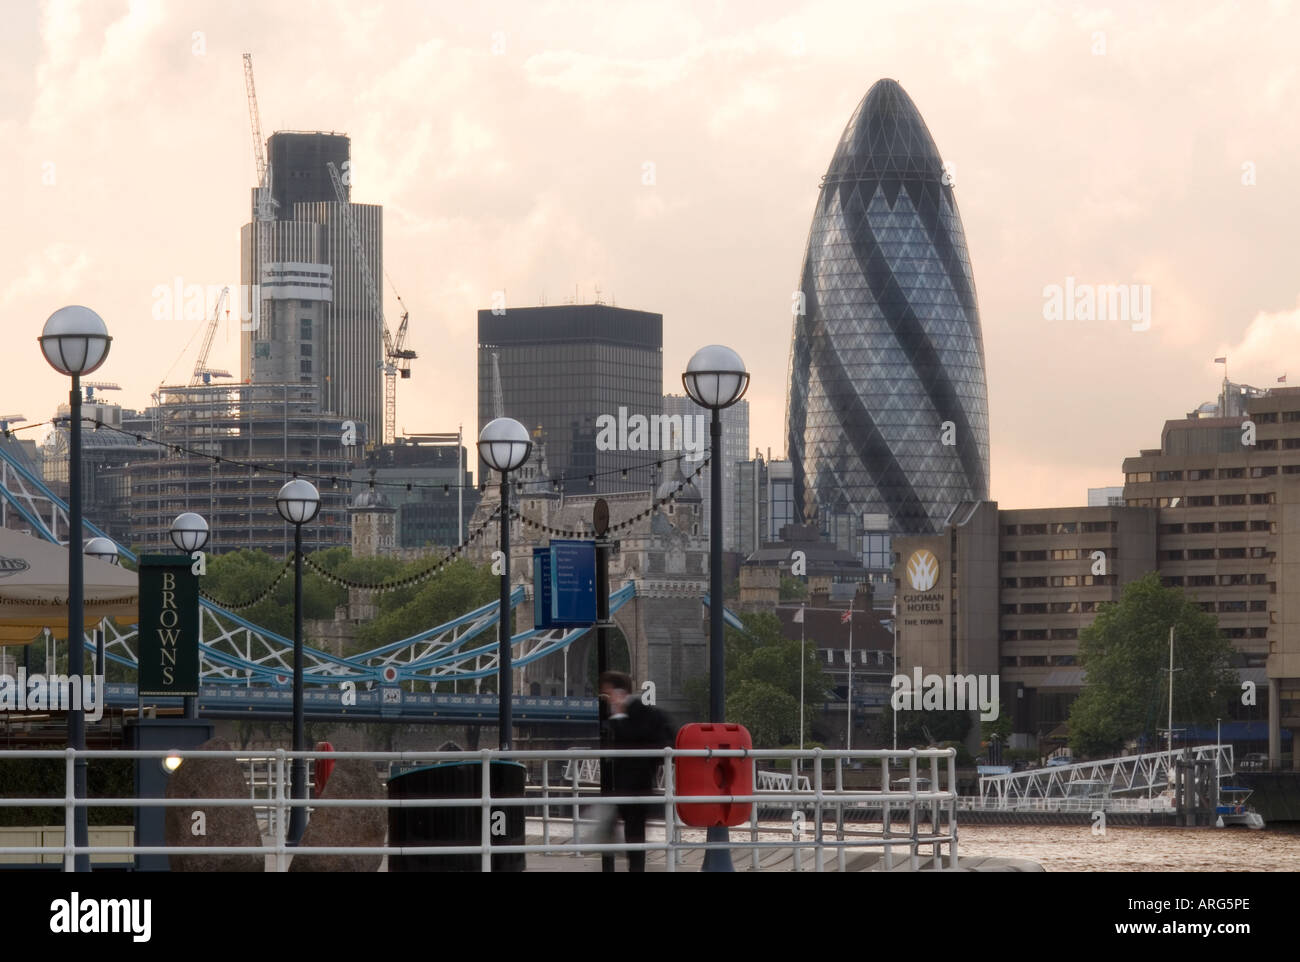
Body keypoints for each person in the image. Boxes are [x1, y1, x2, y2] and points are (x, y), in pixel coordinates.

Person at [598, 670, 676, 872]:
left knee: (634, 832)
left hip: (637, 782)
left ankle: (635, 868)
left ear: (617, 691)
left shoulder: (639, 711)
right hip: (622, 784)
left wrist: (619, 714)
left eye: (606, 693)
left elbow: (630, 739)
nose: (604, 698)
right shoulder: (622, 711)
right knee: (621, 829)